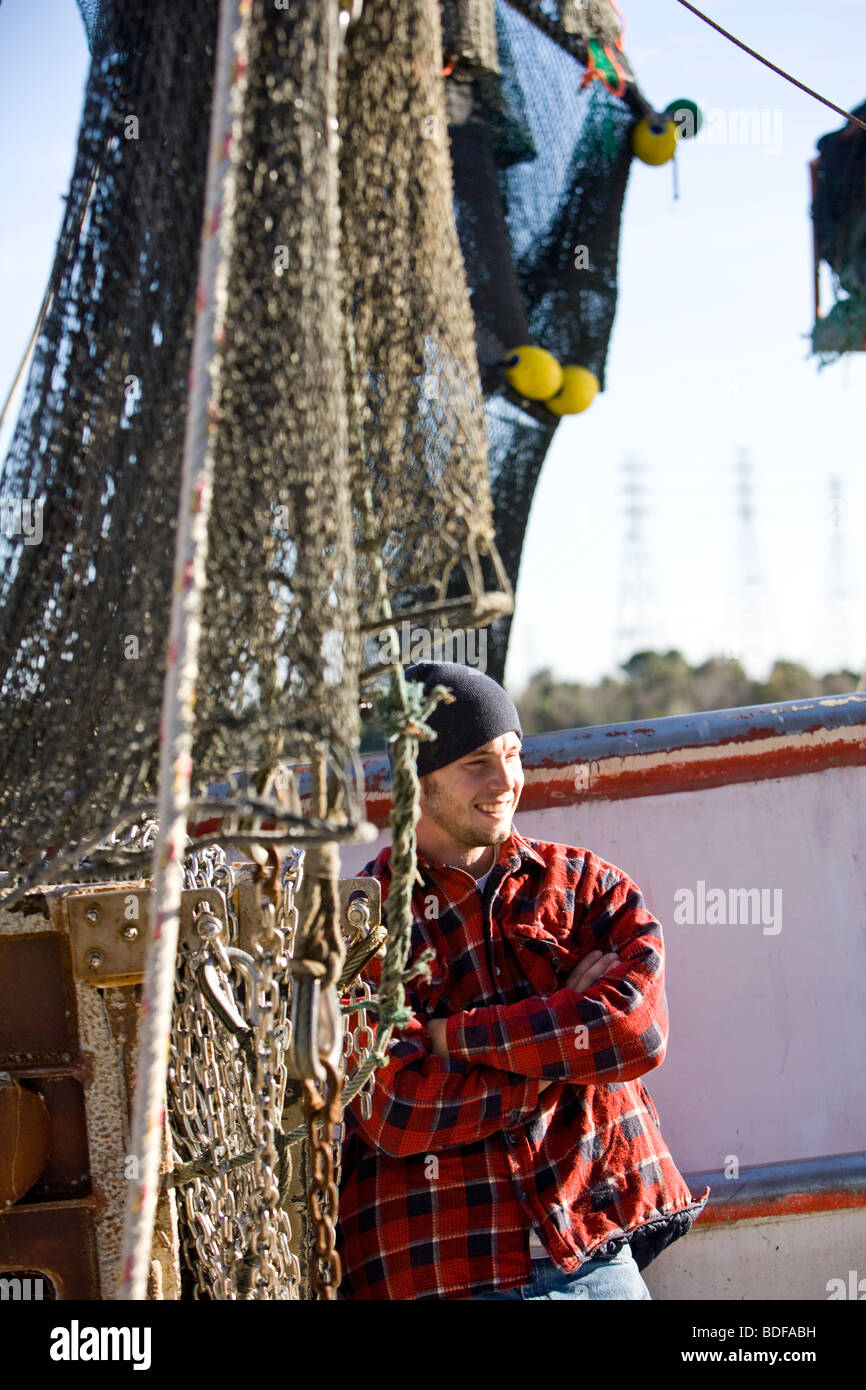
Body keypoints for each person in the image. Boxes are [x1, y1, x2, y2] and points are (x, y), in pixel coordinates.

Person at [336, 661, 708, 1300]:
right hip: (439, 1265)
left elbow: (634, 1033)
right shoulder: (358, 926)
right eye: (476, 761)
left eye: (513, 753)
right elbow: (394, 1108)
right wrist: (566, 1047)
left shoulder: (585, 885)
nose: (506, 780)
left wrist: (450, 1039)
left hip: (593, 1252)